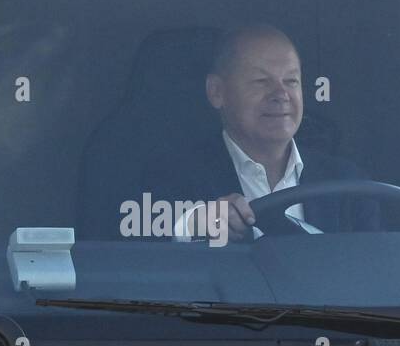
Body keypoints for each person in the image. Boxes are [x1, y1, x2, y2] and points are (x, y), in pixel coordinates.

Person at [141, 23, 377, 242]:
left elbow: (376, 273)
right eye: (261, 81)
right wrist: (192, 224)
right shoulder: (169, 178)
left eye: (291, 81)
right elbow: (136, 243)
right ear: (217, 92)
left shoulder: (348, 183)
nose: (281, 94)